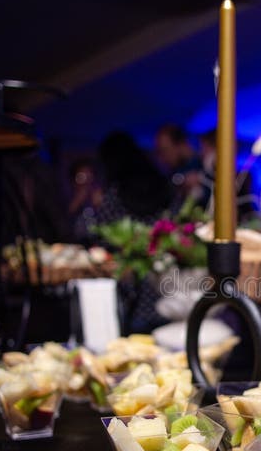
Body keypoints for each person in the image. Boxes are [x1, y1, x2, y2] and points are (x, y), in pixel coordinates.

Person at [95, 131, 174, 333]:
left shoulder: (114, 195)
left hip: (132, 288)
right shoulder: (163, 185)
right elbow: (178, 225)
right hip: (166, 284)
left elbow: (103, 237)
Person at [154, 124, 202, 213]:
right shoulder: (174, 172)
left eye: (165, 150)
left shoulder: (204, 169)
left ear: (181, 144)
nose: (162, 157)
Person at [68, 157, 104, 244]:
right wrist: (77, 200)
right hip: (74, 243)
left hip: (98, 242)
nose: (86, 182)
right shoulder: (66, 195)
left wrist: (100, 205)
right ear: (73, 180)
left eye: (89, 176)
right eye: (81, 177)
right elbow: (63, 221)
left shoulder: (99, 194)